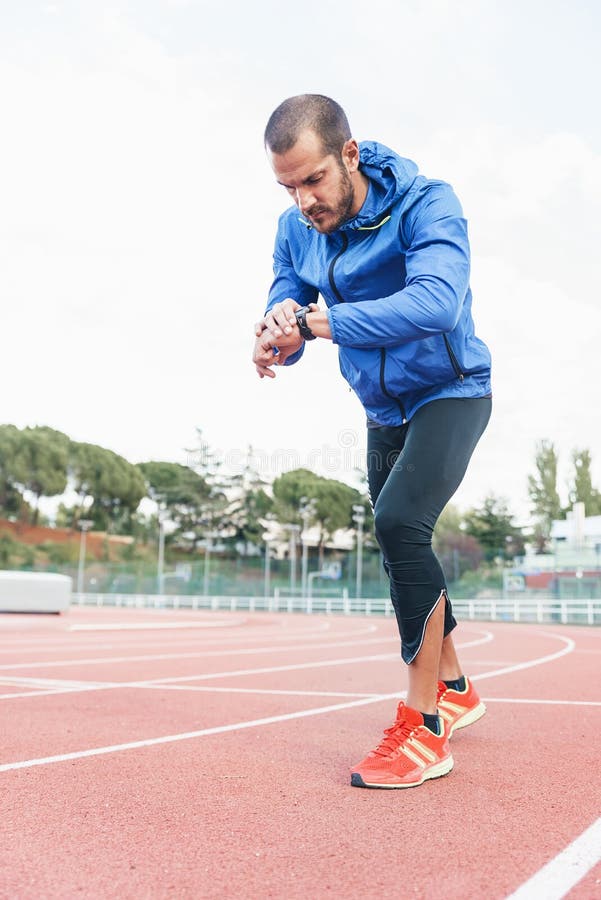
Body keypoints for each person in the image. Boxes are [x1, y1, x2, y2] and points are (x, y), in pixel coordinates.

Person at [252, 94, 492, 790]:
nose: (303, 201)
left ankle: (423, 728)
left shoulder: (427, 204)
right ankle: (456, 688)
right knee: (396, 543)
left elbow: (435, 302)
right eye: (287, 186)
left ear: (348, 155)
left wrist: (322, 324)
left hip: (452, 391)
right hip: (380, 405)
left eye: (313, 180)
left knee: (398, 522)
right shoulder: (295, 228)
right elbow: (287, 294)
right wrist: (276, 332)